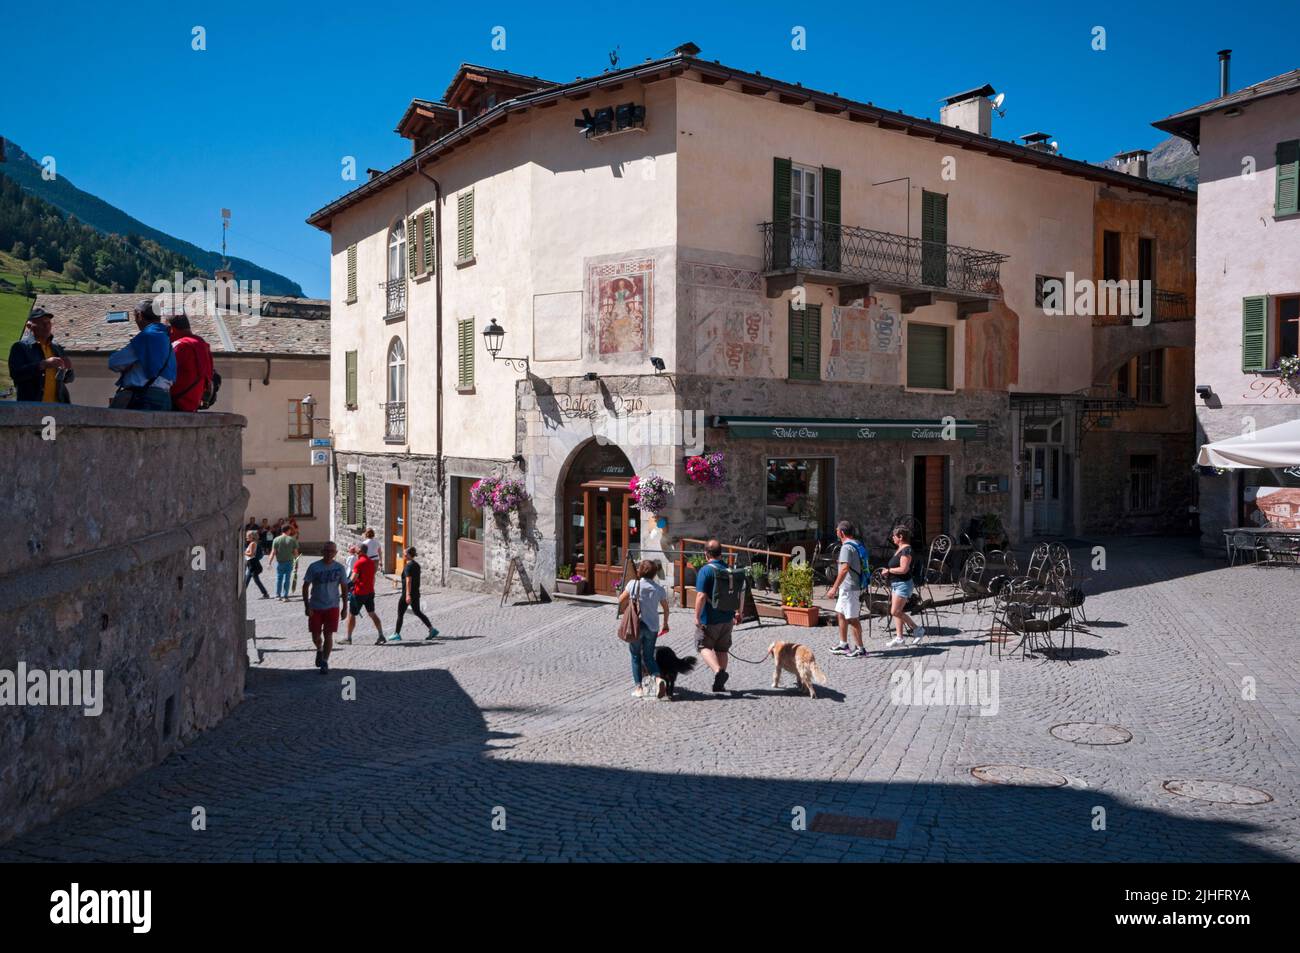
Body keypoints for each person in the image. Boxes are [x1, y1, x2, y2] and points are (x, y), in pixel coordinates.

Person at [108, 299, 176, 410]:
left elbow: (114, 362)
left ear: (139, 315)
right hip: (164, 398)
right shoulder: (166, 339)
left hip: (143, 399)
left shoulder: (147, 336)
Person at [693, 539, 742, 693]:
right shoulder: (728, 569)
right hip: (727, 618)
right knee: (722, 650)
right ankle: (719, 684)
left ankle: (718, 672)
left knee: (702, 646)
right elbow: (740, 593)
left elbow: (701, 596)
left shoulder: (705, 571)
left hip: (710, 619)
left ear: (706, 553)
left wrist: (696, 616)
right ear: (721, 553)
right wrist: (738, 612)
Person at [618, 560, 670, 698]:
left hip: (636, 626)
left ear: (640, 571)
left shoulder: (633, 584)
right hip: (652, 626)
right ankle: (658, 679)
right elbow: (666, 608)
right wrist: (665, 623)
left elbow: (620, 599)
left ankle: (639, 688)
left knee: (635, 656)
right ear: (654, 574)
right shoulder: (659, 589)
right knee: (648, 657)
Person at [8, 306, 74, 403]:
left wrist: (69, 369)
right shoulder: (20, 347)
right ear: (29, 326)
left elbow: (69, 379)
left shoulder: (57, 348)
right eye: (41, 323)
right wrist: (42, 365)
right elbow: (16, 374)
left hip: (59, 407)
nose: (46, 326)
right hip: (32, 407)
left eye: (48, 323)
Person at [302, 542, 348, 674]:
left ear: (335, 553)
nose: (329, 553)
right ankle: (319, 649)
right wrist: (307, 605)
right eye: (327, 551)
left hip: (332, 606)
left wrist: (345, 607)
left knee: (329, 634)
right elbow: (306, 586)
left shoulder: (340, 568)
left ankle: (325, 661)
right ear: (322, 552)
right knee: (316, 636)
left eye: (332, 551)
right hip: (315, 606)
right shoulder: (314, 567)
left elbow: (344, 588)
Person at [827, 520, 868, 658]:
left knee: (852, 618)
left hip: (849, 587)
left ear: (842, 532)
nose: (836, 532)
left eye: (837, 530)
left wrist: (834, 588)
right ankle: (843, 644)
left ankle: (860, 649)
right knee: (841, 613)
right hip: (850, 586)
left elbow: (844, 569)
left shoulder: (846, 547)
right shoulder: (857, 543)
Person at [884, 526, 925, 647]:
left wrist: (889, 570)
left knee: (895, 611)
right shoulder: (900, 549)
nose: (892, 538)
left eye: (894, 536)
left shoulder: (906, 550)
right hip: (896, 583)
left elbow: (904, 569)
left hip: (903, 584)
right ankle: (899, 637)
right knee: (898, 611)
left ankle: (917, 629)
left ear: (900, 537)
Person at [166, 313, 213, 412]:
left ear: (172, 329)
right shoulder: (204, 346)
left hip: (176, 404)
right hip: (193, 406)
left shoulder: (180, 345)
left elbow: (162, 371)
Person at [344, 544, 386, 646]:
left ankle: (348, 638)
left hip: (359, 592)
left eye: (357, 548)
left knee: (351, 614)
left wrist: (345, 586)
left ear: (360, 551)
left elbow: (353, 579)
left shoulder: (359, 563)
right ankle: (381, 634)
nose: (355, 549)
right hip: (370, 591)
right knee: (372, 613)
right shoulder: (371, 562)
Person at [394, 546, 437, 640]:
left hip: (407, 593)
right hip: (416, 592)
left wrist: (407, 595)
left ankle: (396, 634)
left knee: (400, 613)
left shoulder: (408, 566)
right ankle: (432, 629)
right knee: (417, 612)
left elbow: (409, 580)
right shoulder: (416, 565)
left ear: (409, 555)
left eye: (405, 553)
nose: (404, 554)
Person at [270, 523, 300, 602]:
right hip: (289, 562)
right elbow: (296, 553)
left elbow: (273, 552)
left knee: (279, 579)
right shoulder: (292, 540)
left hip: (280, 562)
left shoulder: (276, 539)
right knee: (287, 579)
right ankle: (285, 596)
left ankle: (277, 595)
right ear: (288, 530)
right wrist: (297, 563)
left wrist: (269, 562)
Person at [243, 530, 269, 599]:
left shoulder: (253, 543)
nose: (246, 537)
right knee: (248, 579)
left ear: (252, 536)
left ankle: (265, 594)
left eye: (248, 536)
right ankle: (265, 593)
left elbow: (252, 554)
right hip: (251, 565)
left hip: (254, 565)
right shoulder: (251, 543)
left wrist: (243, 552)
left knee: (254, 580)